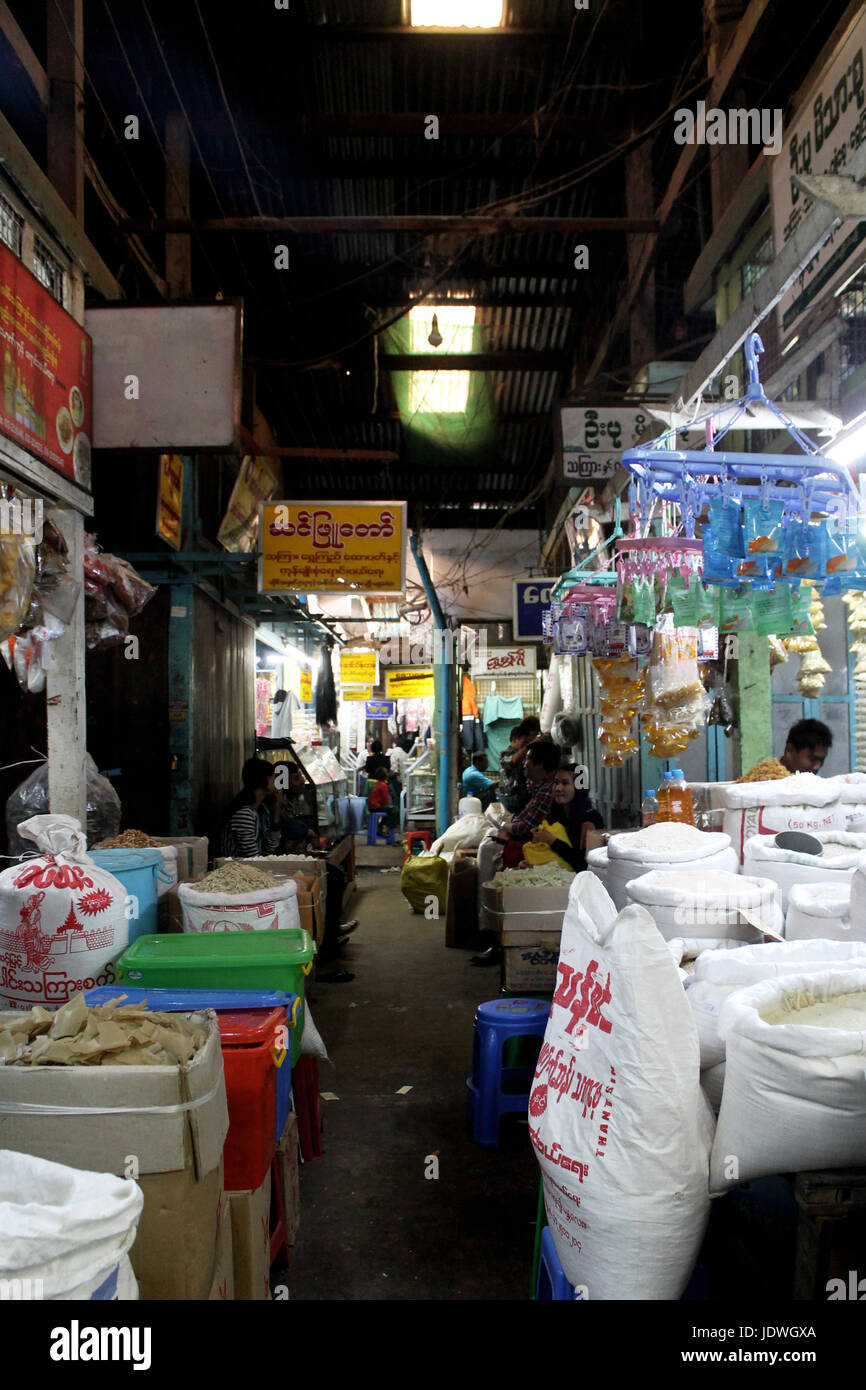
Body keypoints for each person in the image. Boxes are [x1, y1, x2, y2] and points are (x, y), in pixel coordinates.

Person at [272, 762, 359, 984]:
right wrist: (305, 832)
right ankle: (323, 952)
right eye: (296, 778)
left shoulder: (286, 803)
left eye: (301, 777)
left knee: (336, 876)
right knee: (329, 880)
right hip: (278, 863)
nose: (302, 782)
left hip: (293, 856)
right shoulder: (274, 806)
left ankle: (329, 937)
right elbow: (281, 830)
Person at [527, 764, 604, 872]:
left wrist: (552, 840)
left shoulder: (591, 818)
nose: (558, 788)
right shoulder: (557, 815)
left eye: (565, 783)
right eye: (556, 782)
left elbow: (584, 864)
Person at [220, 758, 283, 858]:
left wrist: (276, 812)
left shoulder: (262, 810)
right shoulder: (244, 814)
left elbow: (268, 850)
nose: (276, 783)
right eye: (273, 778)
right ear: (267, 779)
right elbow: (252, 857)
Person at [498, 718, 540, 814]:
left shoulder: (522, 755)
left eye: (527, 742)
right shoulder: (504, 754)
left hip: (520, 795)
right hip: (510, 798)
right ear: (514, 740)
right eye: (523, 742)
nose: (525, 745)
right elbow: (514, 759)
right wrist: (531, 745)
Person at [367, 765, 399, 831]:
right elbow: (384, 799)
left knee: (389, 810)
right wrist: (388, 805)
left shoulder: (379, 783)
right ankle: (386, 827)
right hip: (375, 807)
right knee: (395, 810)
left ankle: (381, 826)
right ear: (385, 775)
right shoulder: (383, 785)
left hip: (372, 806)